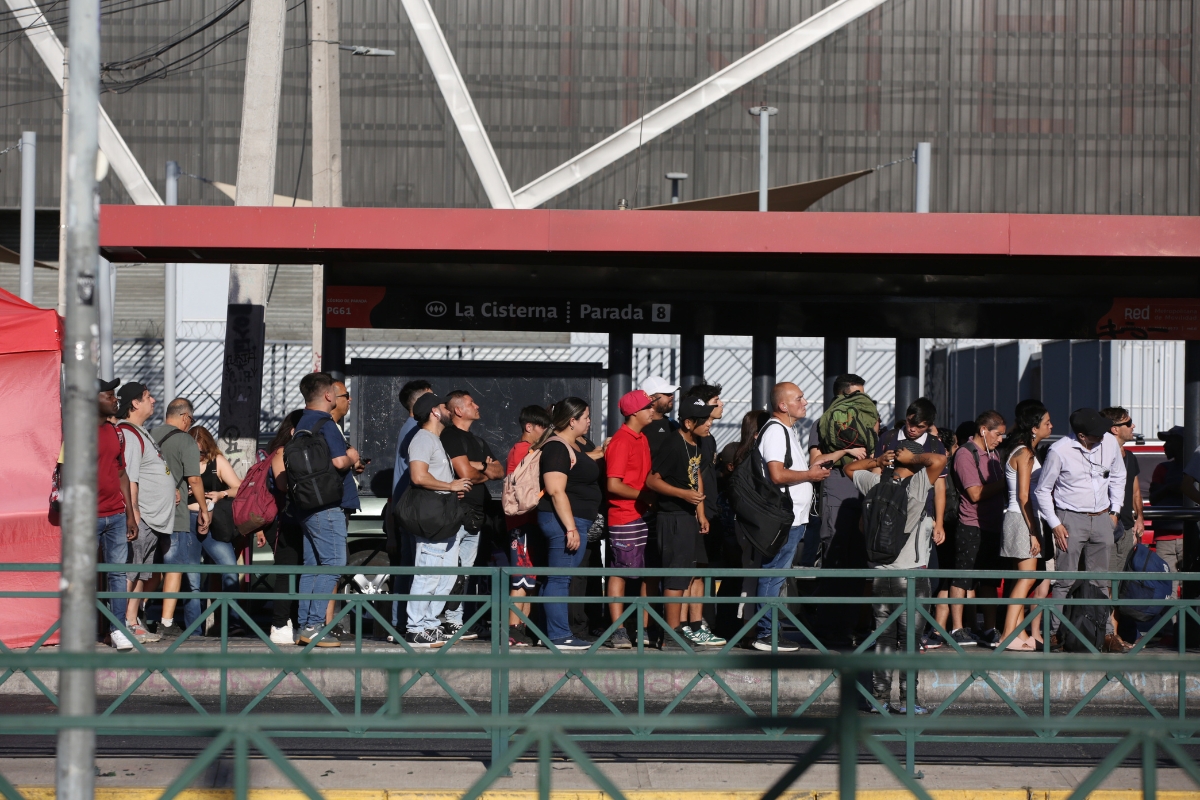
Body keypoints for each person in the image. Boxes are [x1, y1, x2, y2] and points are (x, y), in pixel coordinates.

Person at [844, 439, 946, 714]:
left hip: (879, 575)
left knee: (884, 638)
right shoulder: (916, 485)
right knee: (910, 641)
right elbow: (938, 460)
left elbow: (850, 468)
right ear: (913, 460)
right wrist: (912, 461)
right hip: (910, 575)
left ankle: (878, 699)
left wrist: (877, 462)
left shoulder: (876, 485)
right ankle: (908, 701)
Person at [745, 382, 833, 652]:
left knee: (778, 575)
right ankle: (766, 632)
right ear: (783, 405)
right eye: (799, 397)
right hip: (785, 517)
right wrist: (810, 475)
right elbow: (778, 474)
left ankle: (769, 630)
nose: (805, 402)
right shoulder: (775, 431)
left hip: (793, 517)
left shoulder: (787, 430)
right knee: (773, 574)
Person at [1034, 408, 1127, 652]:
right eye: (1096, 434)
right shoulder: (1059, 451)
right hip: (1070, 518)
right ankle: (1054, 633)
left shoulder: (1109, 442)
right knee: (1065, 580)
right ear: (1082, 435)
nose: (1103, 437)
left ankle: (1106, 634)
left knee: (1101, 580)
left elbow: (1118, 475)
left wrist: (1115, 511)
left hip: (1103, 517)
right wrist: (1055, 524)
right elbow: (1042, 490)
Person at [291, 373, 363, 647]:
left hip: (307, 506)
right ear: (329, 396)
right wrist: (352, 457)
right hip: (328, 506)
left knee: (312, 566)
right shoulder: (327, 424)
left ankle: (304, 626)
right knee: (333, 564)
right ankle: (314, 626)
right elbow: (338, 461)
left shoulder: (302, 424)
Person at [809, 374, 878, 645]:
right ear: (841, 397)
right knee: (836, 562)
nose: (862, 400)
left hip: (862, 498)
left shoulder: (868, 421)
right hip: (838, 496)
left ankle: (849, 628)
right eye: (856, 394)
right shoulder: (824, 423)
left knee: (859, 565)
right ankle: (829, 630)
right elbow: (816, 462)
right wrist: (846, 452)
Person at [646, 396, 717, 647]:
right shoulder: (673, 443)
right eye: (705, 420)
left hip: (688, 517)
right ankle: (670, 633)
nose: (710, 424)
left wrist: (701, 513)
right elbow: (652, 480)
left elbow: (696, 475)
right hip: (671, 517)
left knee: (685, 574)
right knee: (675, 577)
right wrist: (683, 495)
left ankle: (675, 631)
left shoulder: (696, 442)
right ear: (688, 422)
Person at [404, 393, 473, 647]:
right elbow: (418, 476)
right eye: (444, 406)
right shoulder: (423, 438)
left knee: (445, 574)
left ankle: (430, 624)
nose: (448, 410)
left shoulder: (436, 439)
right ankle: (415, 627)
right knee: (429, 572)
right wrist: (451, 485)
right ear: (434, 412)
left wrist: (452, 487)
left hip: (444, 516)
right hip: (432, 517)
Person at [535, 397, 602, 650]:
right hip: (563, 522)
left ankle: (549, 632)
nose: (589, 421)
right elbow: (555, 490)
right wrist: (571, 527)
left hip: (574, 521)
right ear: (572, 421)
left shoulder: (571, 446)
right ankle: (559, 635)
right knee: (559, 579)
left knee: (558, 578)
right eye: (585, 417)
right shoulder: (557, 447)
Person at [115, 384, 179, 642]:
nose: (153, 400)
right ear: (134, 404)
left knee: (142, 572)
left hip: (152, 519)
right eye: (147, 397)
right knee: (133, 571)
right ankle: (126, 623)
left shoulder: (142, 433)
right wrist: (135, 512)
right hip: (143, 518)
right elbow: (128, 477)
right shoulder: (129, 433)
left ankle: (133, 620)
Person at [440, 390, 505, 639]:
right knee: (449, 569)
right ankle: (441, 621)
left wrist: (479, 466)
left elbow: (500, 470)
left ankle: (456, 621)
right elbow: (463, 472)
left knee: (465, 571)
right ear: (458, 410)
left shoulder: (477, 440)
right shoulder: (449, 436)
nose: (477, 405)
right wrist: (480, 467)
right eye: (470, 403)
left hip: (476, 514)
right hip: (455, 512)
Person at [599, 391, 656, 649]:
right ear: (634, 413)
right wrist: (646, 495)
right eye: (647, 407)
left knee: (645, 573)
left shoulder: (641, 437)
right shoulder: (622, 441)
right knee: (620, 571)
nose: (652, 411)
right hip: (625, 515)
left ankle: (642, 628)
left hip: (642, 513)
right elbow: (613, 484)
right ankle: (618, 630)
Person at [947, 410, 1006, 647]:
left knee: (989, 580)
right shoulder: (965, 454)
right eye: (998, 434)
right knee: (962, 578)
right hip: (971, 525)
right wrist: (1007, 482)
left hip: (993, 525)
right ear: (984, 430)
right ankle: (957, 628)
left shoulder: (993, 455)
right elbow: (974, 493)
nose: (1001, 439)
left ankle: (989, 628)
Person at [997, 401, 1052, 651]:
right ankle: (1008, 635)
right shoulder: (1025, 453)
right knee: (1027, 578)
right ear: (1033, 428)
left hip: (1018, 517)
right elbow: (1023, 496)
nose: (1051, 426)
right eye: (1046, 423)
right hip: (1022, 518)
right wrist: (1033, 531)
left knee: (1021, 578)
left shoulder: (1020, 450)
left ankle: (1018, 634)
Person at [678, 383, 730, 645]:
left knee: (701, 570)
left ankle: (697, 623)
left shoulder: (708, 437)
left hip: (706, 510)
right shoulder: (686, 438)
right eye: (716, 401)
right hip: (689, 512)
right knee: (689, 571)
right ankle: (686, 624)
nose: (721, 405)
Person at [188, 425, 245, 634]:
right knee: (192, 578)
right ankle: (194, 630)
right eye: (194, 452)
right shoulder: (183, 461)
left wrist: (222, 494)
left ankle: (234, 623)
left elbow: (239, 487)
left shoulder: (216, 462)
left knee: (229, 568)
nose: (198, 457)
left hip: (214, 522)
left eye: (201, 452)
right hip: (188, 519)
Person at [388, 380, 434, 638]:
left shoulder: (409, 429)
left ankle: (400, 624)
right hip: (413, 508)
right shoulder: (417, 430)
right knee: (415, 568)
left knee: (409, 567)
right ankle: (405, 625)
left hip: (405, 507)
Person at [96, 378, 139, 649]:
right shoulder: (75, 433)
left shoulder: (115, 432)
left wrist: (130, 515)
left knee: (116, 574)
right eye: (110, 396)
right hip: (86, 517)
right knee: (84, 574)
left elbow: (122, 473)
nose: (116, 400)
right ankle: (84, 628)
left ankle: (118, 628)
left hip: (116, 515)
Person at [504, 404, 551, 647]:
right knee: (521, 580)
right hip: (521, 522)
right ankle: (513, 629)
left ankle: (522, 627)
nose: (546, 431)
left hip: (530, 522)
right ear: (529, 426)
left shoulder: (528, 449)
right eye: (542, 426)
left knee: (529, 580)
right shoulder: (523, 449)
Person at [1099, 407, 1143, 649]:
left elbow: (1135, 490)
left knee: (1119, 585)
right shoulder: (1101, 454)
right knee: (1107, 584)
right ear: (1115, 429)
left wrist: (1140, 518)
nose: (1133, 427)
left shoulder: (1131, 457)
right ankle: (1109, 636)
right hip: (1105, 525)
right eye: (1129, 423)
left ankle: (1114, 635)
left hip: (1125, 526)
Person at [266, 410, 305, 644]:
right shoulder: (281, 452)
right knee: (286, 568)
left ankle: (291, 621)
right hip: (281, 519)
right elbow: (282, 484)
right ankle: (279, 623)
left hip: (293, 518)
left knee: (297, 570)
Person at [1150, 425, 1187, 578]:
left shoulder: (1195, 468)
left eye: (1169, 442)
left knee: (1193, 586)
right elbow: (1153, 499)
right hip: (1164, 537)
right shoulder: (1162, 469)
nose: (1165, 446)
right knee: (1167, 586)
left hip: (1190, 537)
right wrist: (1170, 488)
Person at [640, 376, 679, 455]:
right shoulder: (639, 427)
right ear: (651, 399)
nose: (672, 396)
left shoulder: (674, 424)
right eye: (667, 393)